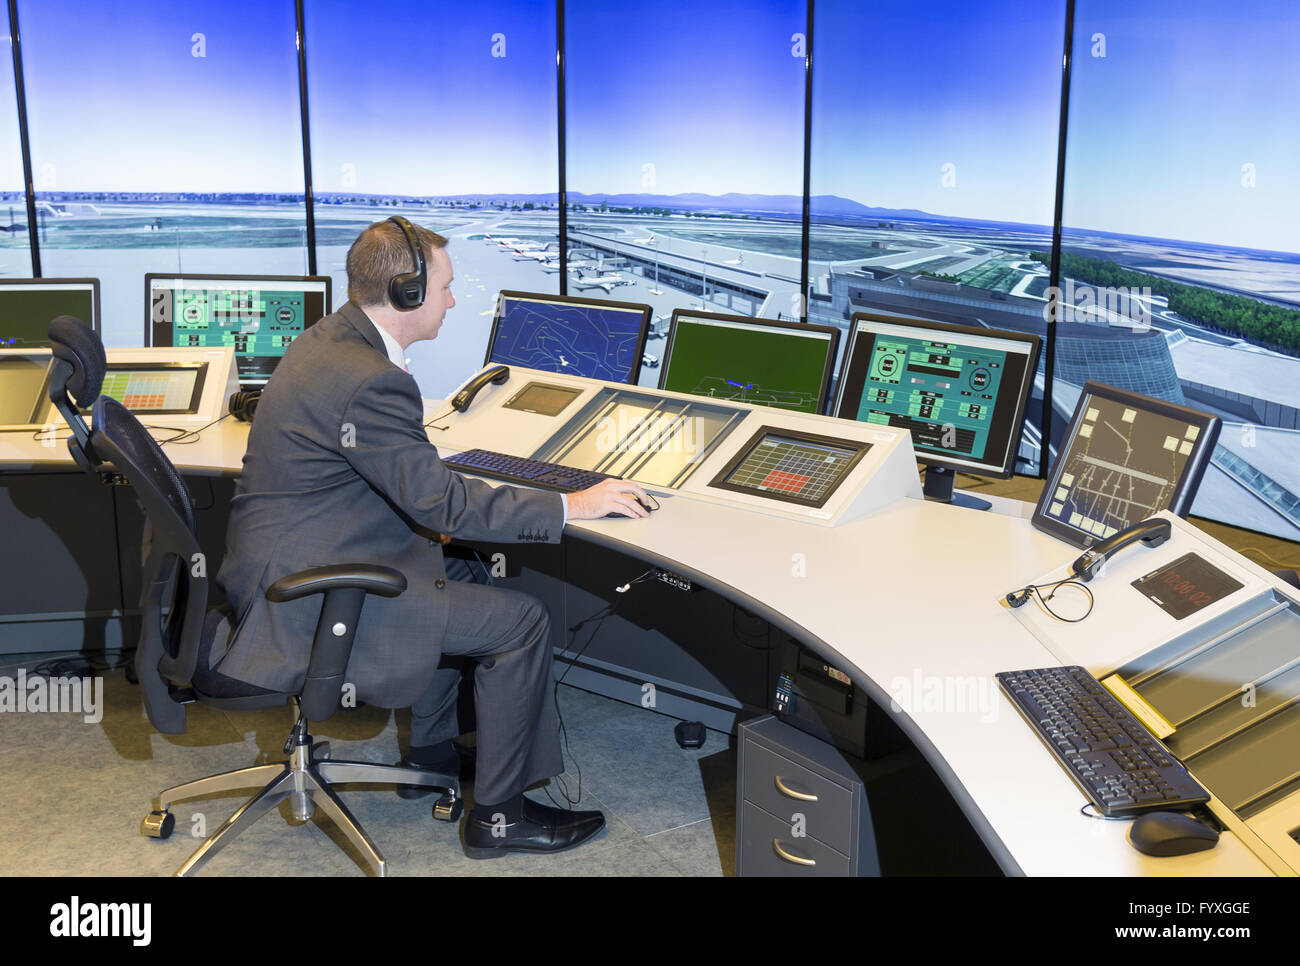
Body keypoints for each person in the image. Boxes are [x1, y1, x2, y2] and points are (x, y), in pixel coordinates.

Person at [212, 217, 650, 859]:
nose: (451, 300)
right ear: (407, 292)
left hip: (289, 557)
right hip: (306, 596)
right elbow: (441, 500)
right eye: (444, 287)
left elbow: (409, 482)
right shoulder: (370, 379)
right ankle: (499, 820)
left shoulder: (329, 341)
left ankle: (433, 761)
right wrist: (571, 503)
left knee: (464, 568)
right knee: (520, 622)